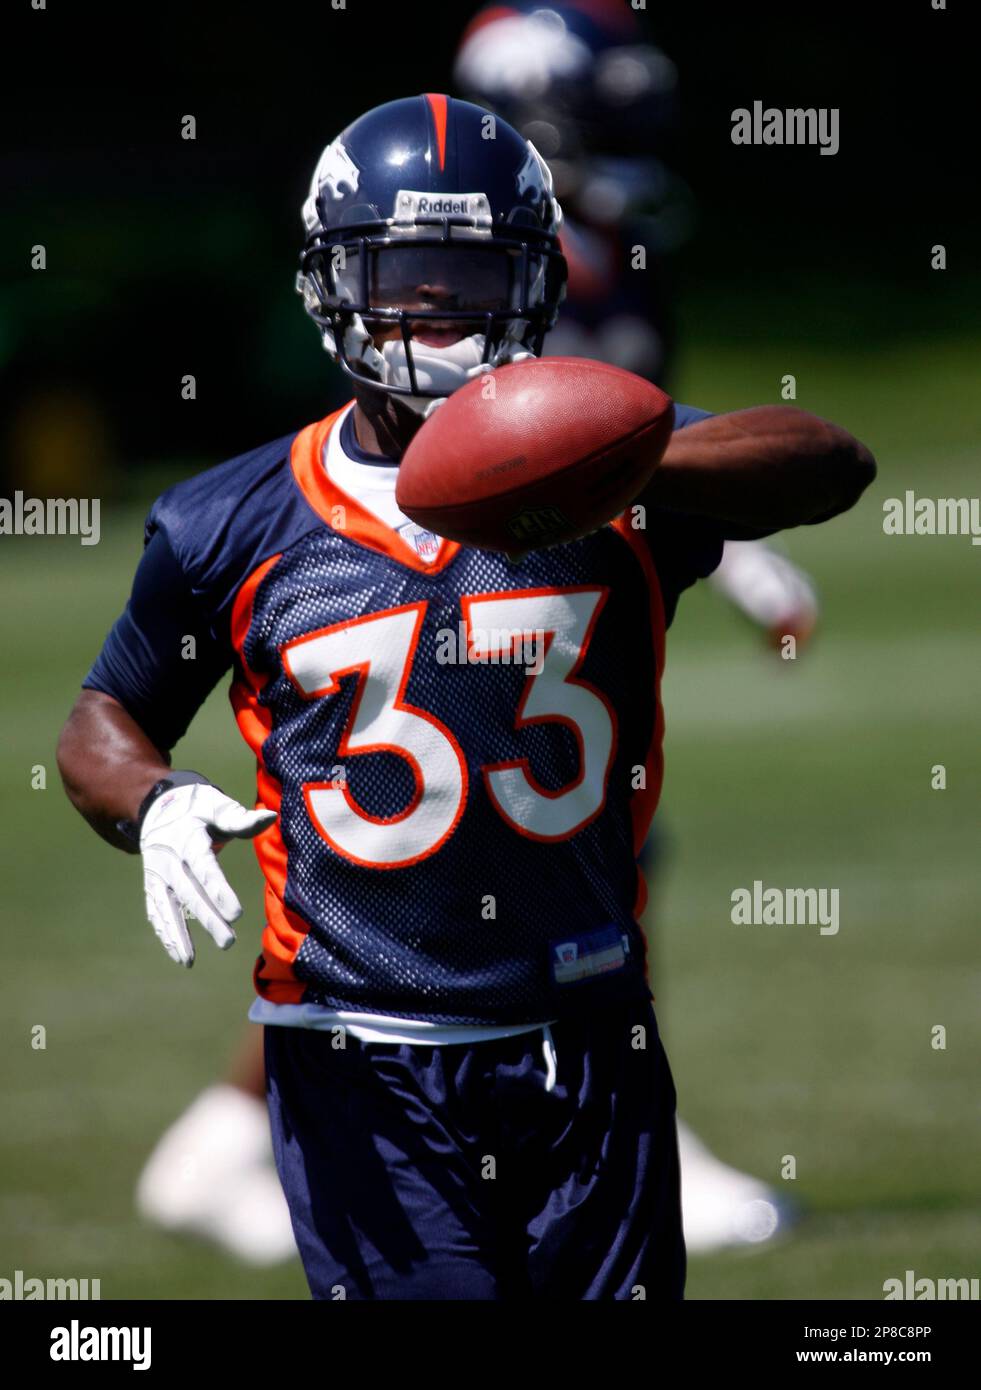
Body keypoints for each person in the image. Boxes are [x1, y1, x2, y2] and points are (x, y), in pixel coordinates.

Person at [58, 93, 875, 1299]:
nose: (441, 306)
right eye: (407, 271)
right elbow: (102, 718)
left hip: (594, 1034)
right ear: (331, 284)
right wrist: (152, 799)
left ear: (539, 281)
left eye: (475, 271)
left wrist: (615, 462)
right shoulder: (231, 520)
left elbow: (830, 462)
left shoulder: (619, 481)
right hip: (359, 1053)